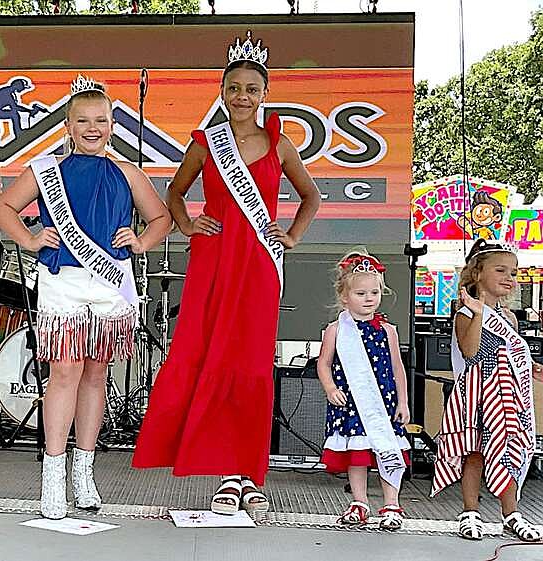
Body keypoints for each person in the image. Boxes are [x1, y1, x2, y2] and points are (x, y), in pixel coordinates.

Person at [132, 31, 320, 516]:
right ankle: (223, 473)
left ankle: (246, 472)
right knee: (206, 354)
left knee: (251, 364)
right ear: (221, 92)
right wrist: (189, 224)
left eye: (251, 89)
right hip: (213, 261)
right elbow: (174, 193)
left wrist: (293, 235)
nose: (242, 96)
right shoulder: (206, 145)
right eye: (233, 87)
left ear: (265, 94)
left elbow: (311, 196)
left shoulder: (280, 145)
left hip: (258, 264)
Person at [0, 75, 172, 519]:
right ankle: (51, 479)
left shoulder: (128, 172)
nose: (93, 128)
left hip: (110, 283)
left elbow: (162, 218)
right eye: (82, 120)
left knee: (96, 373)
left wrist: (141, 241)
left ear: (113, 126)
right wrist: (31, 239)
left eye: (101, 120)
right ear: (67, 126)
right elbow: (1, 207)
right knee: (65, 372)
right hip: (63, 281)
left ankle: (84, 472)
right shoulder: (46, 170)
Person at [432, 239, 543, 541]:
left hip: (507, 396)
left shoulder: (509, 318)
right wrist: (478, 312)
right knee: (475, 453)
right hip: (476, 394)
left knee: (509, 451)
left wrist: (532, 368)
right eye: (501, 270)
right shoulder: (465, 314)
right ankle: (470, 512)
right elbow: (470, 351)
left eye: (514, 272)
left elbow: (511, 354)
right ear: (478, 273)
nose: (510, 277)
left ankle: (512, 514)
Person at [316, 251, 410, 530]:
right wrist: (330, 388)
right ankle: (359, 502)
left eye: (374, 292)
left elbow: (397, 368)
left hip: (384, 402)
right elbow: (324, 364)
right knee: (357, 455)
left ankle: (391, 502)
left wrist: (402, 402)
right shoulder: (336, 329)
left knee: (387, 450)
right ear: (344, 297)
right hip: (351, 404)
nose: (369, 298)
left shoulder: (388, 330)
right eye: (361, 293)